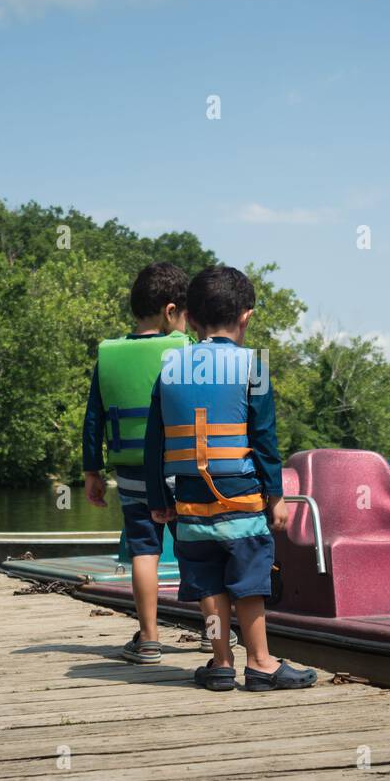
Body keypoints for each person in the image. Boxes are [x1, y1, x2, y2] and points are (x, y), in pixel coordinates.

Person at [144, 265, 317, 692]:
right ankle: (260, 662)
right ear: (246, 317)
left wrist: (156, 498)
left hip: (187, 495)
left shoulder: (169, 366)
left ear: (192, 319)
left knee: (206, 579)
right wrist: (274, 495)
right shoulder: (252, 365)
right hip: (241, 493)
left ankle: (221, 662)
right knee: (249, 579)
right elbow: (264, 439)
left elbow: (154, 443)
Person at [83, 262, 190, 664]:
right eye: (184, 316)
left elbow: (94, 417)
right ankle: (212, 633)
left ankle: (148, 638)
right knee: (194, 549)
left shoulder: (109, 355)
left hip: (131, 472)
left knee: (144, 549)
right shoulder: (184, 352)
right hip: (180, 470)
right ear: (170, 311)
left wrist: (91, 470)